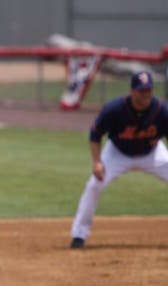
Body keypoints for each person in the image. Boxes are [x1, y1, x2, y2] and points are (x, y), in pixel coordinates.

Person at [70, 71, 168, 248]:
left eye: (149, 90)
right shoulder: (114, 109)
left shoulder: (162, 110)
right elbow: (95, 135)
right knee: (94, 185)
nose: (146, 94)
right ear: (132, 91)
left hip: (152, 153)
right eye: (141, 90)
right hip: (117, 153)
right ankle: (79, 235)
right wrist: (97, 162)